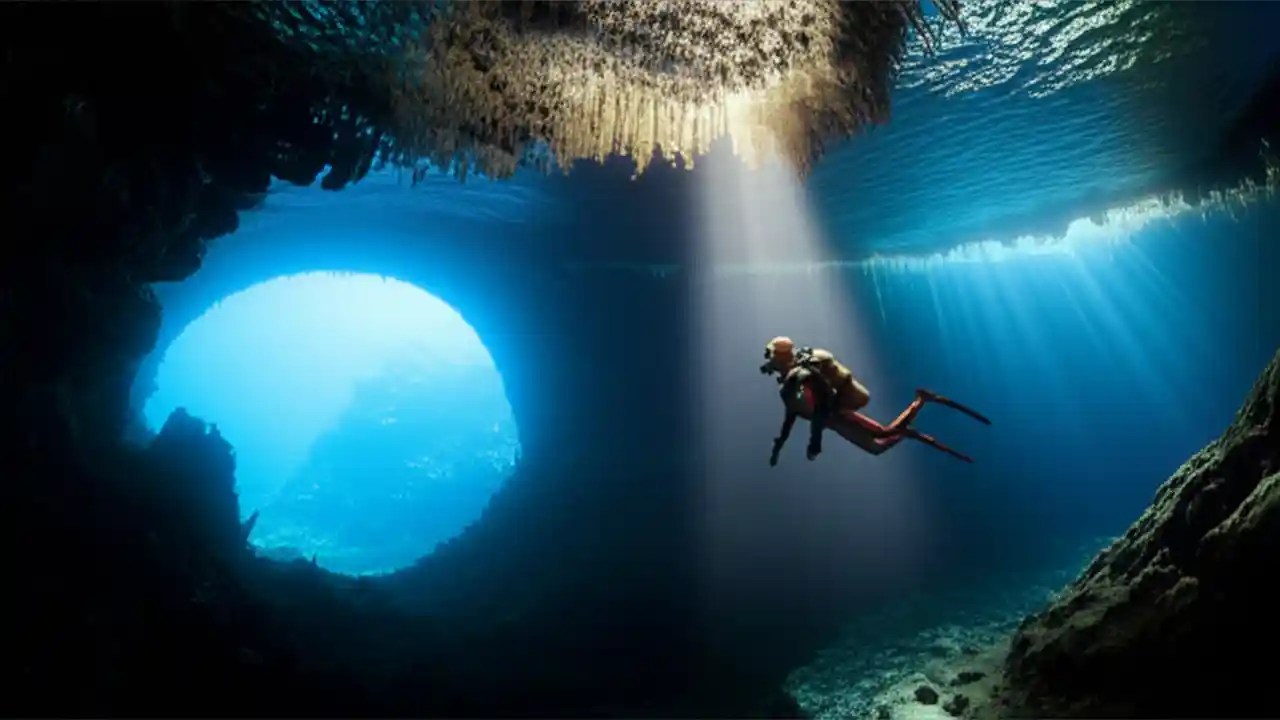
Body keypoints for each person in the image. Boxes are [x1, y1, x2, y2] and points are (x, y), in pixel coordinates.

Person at [759, 336, 990, 464]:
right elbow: (790, 419)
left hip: (837, 416)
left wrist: (814, 445)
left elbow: (816, 405)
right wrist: (778, 449)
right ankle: (919, 404)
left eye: (772, 358)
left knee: (879, 441)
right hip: (837, 415)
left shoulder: (801, 375)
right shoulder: (791, 386)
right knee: (881, 436)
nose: (770, 364)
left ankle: (912, 428)